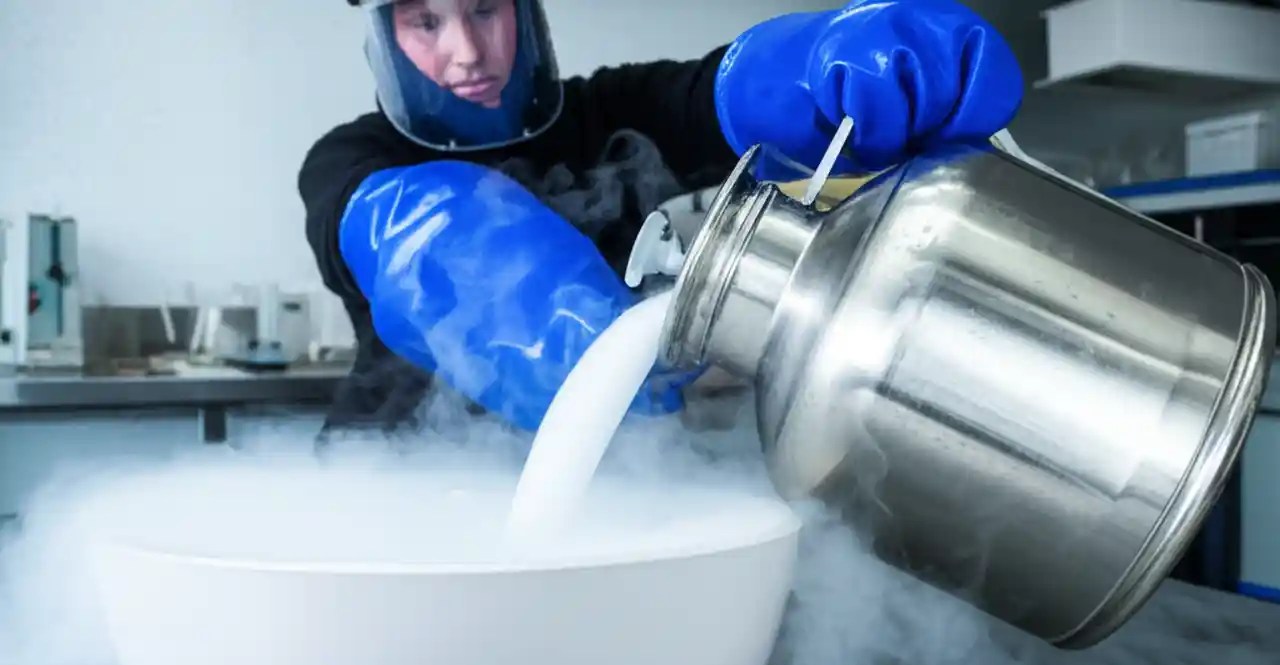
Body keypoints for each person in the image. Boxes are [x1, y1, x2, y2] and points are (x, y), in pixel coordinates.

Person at [299, 0, 1023, 438]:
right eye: (426, 21)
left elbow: (711, 97)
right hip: (394, 482)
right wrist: (454, 252)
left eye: (486, 8)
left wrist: (815, 66)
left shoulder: (615, 112)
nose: (466, 52)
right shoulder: (353, 156)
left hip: (611, 467)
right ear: (385, 34)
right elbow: (395, 229)